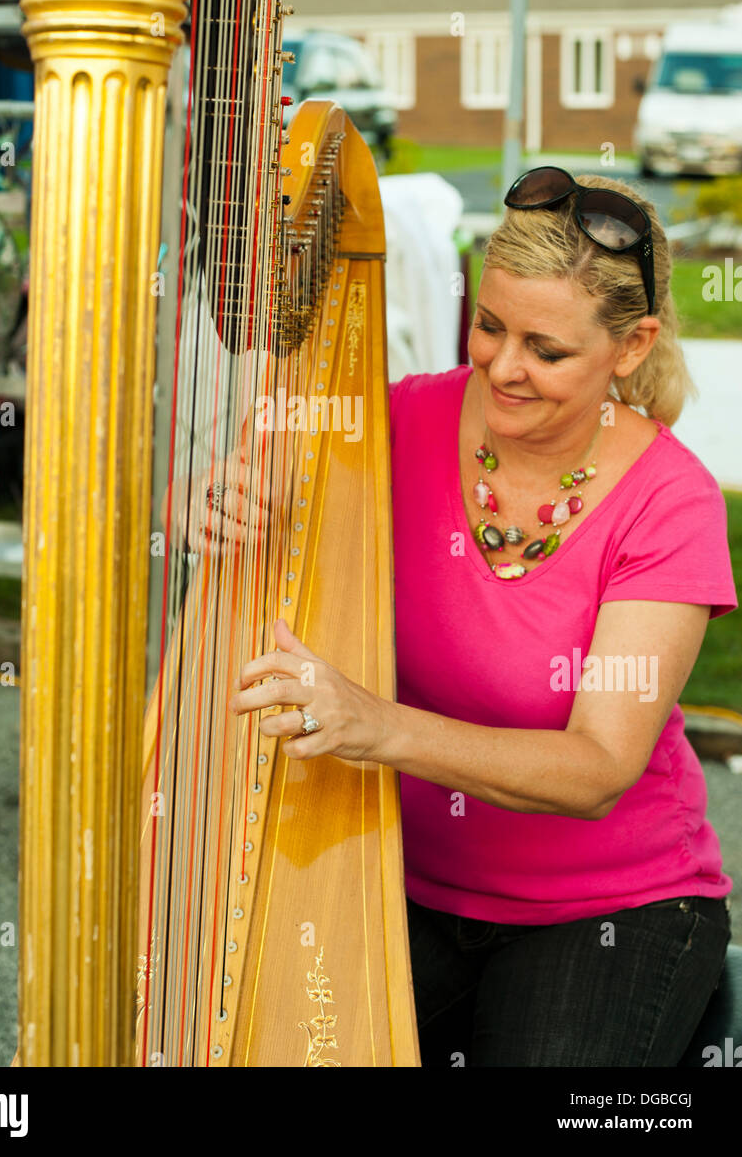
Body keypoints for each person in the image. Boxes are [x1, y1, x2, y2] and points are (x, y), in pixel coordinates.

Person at [231, 167, 737, 1068]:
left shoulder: (671, 503)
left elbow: (595, 771)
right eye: (490, 326)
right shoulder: (392, 424)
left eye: (546, 350)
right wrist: (229, 512)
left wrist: (375, 726)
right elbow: (273, 542)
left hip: (609, 910)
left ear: (630, 347)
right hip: (403, 882)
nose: (503, 367)